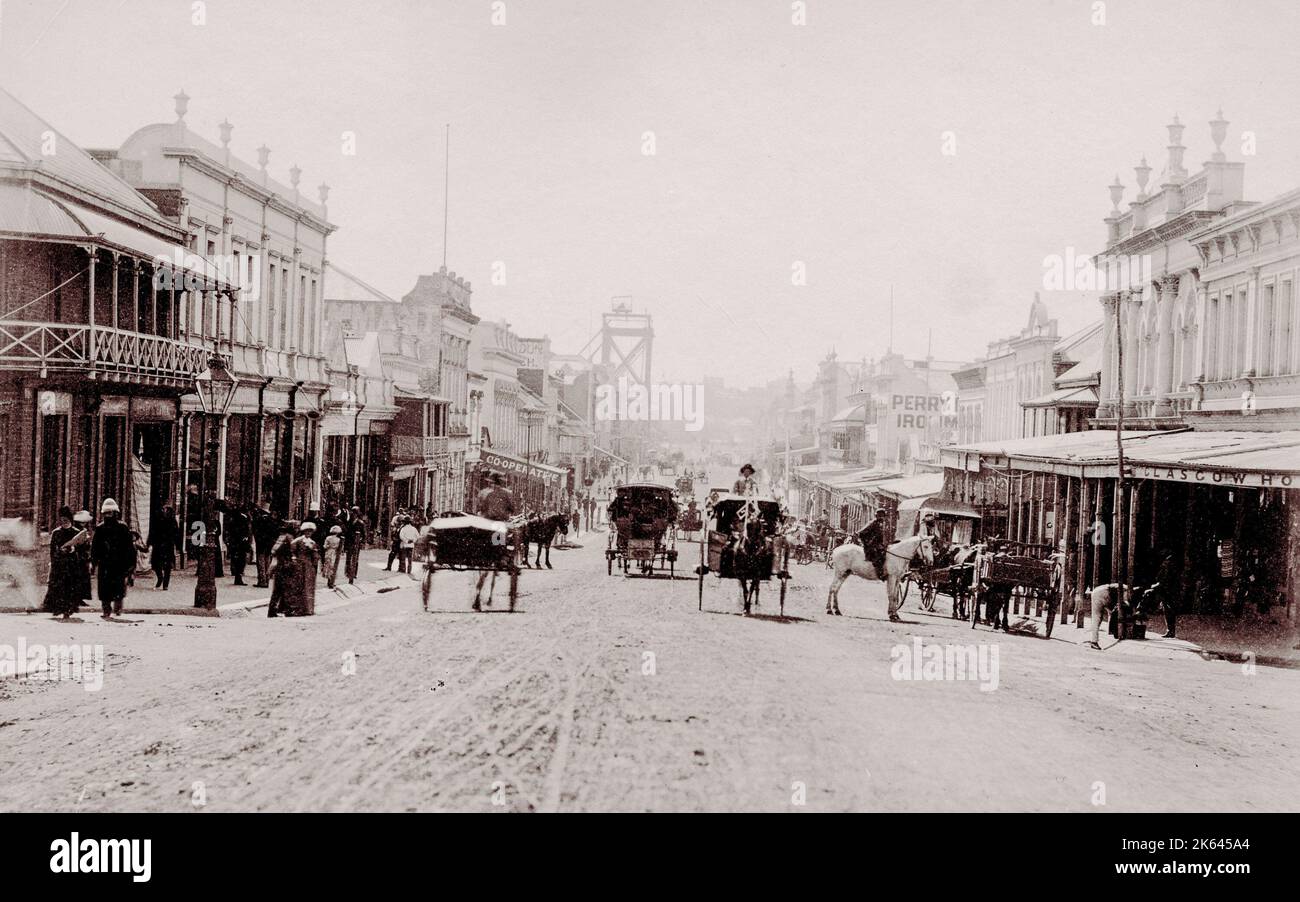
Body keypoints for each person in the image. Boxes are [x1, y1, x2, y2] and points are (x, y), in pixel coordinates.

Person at [90, 498, 136, 619]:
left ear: (115, 513)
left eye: (110, 513)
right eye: (105, 513)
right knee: (104, 589)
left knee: (119, 587)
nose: (107, 516)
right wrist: (93, 563)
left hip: (119, 564)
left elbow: (130, 548)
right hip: (105, 563)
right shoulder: (100, 529)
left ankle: (117, 606)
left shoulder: (123, 528)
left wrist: (131, 565)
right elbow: (95, 547)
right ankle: (106, 609)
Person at [42, 507, 81, 620]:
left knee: (70, 588)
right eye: (62, 520)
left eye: (66, 520)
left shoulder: (76, 533)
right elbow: (52, 550)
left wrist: (73, 549)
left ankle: (68, 610)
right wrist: (57, 556)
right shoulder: (56, 533)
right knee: (59, 588)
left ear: (70, 520)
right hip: (59, 565)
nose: (64, 523)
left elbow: (82, 550)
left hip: (71, 565)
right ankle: (58, 609)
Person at [147, 504, 181, 590]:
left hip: (167, 545)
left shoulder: (172, 521)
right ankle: (160, 578)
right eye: (163, 509)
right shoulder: (158, 519)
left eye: (165, 509)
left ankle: (165, 584)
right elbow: (153, 531)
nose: (164, 510)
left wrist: (177, 545)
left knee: (167, 566)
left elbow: (176, 534)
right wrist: (149, 543)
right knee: (156, 564)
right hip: (159, 545)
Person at [267, 521, 297, 617]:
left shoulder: (282, 536)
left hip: (280, 565)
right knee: (286, 588)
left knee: (278, 589)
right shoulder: (290, 538)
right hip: (285, 565)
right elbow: (292, 550)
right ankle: (286, 610)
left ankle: (273, 610)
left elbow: (274, 551)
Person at [290, 522, 320, 615]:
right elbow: (292, 551)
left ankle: (308, 608)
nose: (308, 533)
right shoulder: (298, 541)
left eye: (310, 532)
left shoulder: (312, 543)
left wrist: (315, 561)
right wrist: (294, 558)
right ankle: (297, 608)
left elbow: (315, 556)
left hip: (308, 566)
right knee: (298, 586)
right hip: (299, 564)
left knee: (308, 586)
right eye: (307, 531)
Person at [222, 501, 252, 586]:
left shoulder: (234, 517)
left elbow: (232, 529)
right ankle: (238, 576)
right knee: (241, 559)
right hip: (240, 542)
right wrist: (245, 538)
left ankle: (237, 574)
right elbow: (244, 530)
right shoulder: (243, 518)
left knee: (236, 558)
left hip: (235, 541)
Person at [1151, 551, 1178, 638]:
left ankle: (1170, 631)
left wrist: (1156, 585)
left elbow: (1164, 579)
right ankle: (1170, 630)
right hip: (1169, 590)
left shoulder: (1167, 564)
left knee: (1168, 611)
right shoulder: (1171, 563)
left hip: (1166, 591)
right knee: (1168, 610)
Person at [857, 509, 889, 577]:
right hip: (871, 545)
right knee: (879, 557)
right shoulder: (873, 523)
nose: (883, 518)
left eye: (884, 516)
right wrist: (868, 542)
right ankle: (879, 573)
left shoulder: (879, 524)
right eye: (882, 516)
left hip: (877, 544)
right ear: (879, 516)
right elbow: (861, 532)